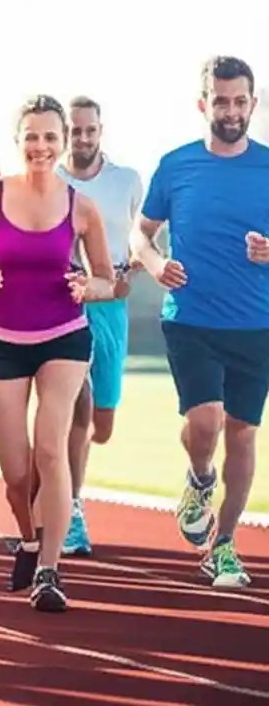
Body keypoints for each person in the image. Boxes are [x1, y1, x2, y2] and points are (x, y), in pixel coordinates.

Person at [0, 95, 115, 612]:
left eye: (50, 137)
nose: (40, 146)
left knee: (52, 447)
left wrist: (85, 286)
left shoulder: (81, 207)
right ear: (17, 139)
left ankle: (49, 569)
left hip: (64, 337)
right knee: (17, 472)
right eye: (31, 136)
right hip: (0, 341)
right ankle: (27, 536)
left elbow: (108, 281)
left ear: (63, 141)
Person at [130, 55, 268, 589]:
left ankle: (225, 545)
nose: (230, 110)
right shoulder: (176, 164)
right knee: (206, 421)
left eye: (240, 101)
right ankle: (199, 477)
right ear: (202, 103)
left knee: (244, 433)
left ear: (251, 105)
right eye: (221, 100)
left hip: (257, 323)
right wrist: (155, 263)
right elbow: (139, 234)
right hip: (191, 318)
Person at [56, 95, 143, 557]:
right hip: (63, 303)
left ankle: (59, 486)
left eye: (90, 130)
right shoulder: (51, 180)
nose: (83, 138)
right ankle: (68, 508)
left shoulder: (127, 181)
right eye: (75, 131)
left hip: (111, 306)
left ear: (100, 131)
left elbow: (141, 243)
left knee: (101, 422)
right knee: (76, 406)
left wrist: (131, 274)